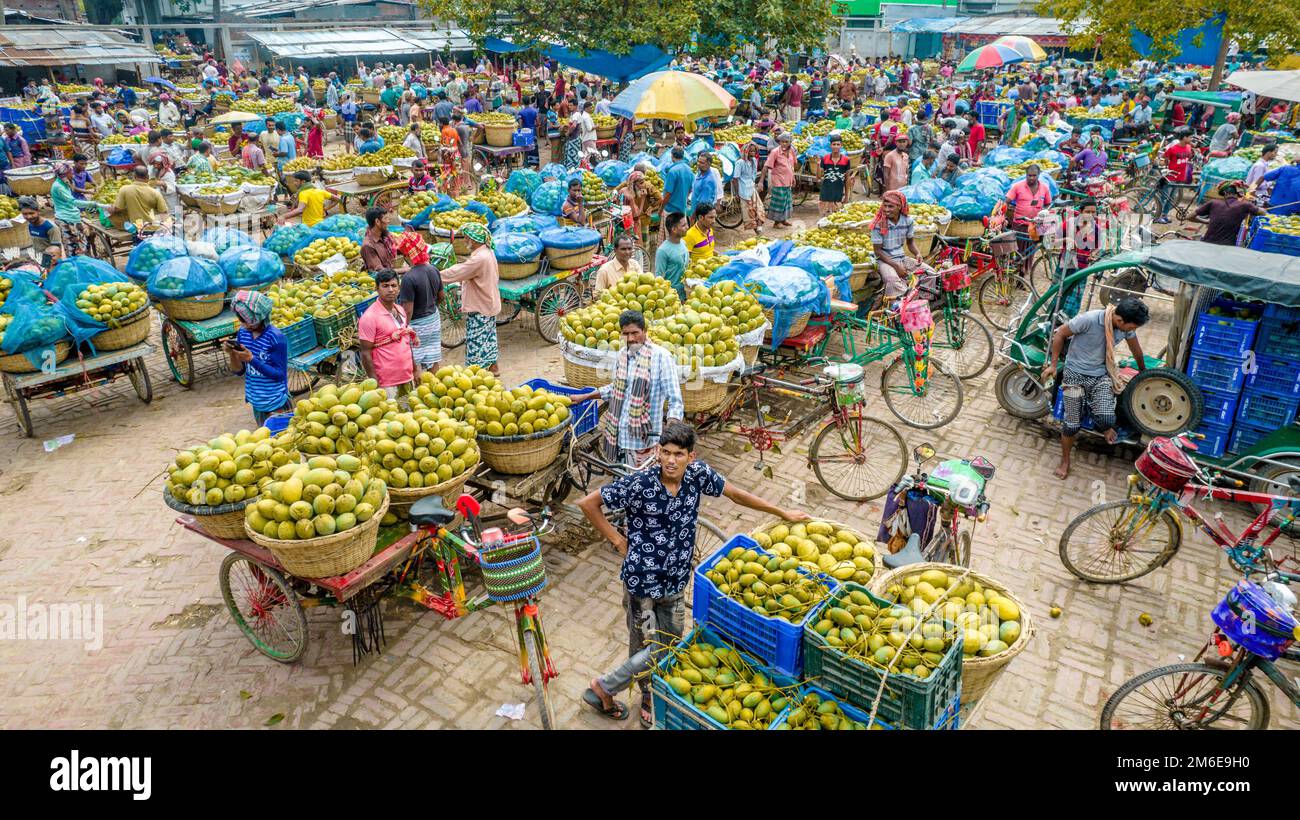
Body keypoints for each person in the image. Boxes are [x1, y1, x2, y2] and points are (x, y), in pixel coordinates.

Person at [578, 418, 808, 726]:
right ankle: (636, 692)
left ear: (691, 456)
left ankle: (606, 686)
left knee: (669, 645)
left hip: (675, 581)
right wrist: (617, 539)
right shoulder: (640, 484)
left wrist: (782, 512)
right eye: (666, 452)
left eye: (678, 454)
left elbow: (736, 494)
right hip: (642, 584)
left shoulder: (697, 476)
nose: (671, 461)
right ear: (658, 452)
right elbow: (588, 503)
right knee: (645, 644)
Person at [1043, 298, 1149, 479]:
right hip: (1074, 375)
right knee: (1071, 424)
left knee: (1107, 418)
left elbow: (1136, 351)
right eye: (1132, 328)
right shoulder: (1089, 319)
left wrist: (1143, 373)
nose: (1132, 332)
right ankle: (1065, 461)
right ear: (1120, 321)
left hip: (1101, 375)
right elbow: (1060, 333)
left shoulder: (1125, 329)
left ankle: (1103, 423)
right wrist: (1053, 365)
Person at [439, 223, 501, 372]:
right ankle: (493, 368)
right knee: (489, 338)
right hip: (488, 302)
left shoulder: (479, 258)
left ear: (474, 240)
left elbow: (457, 272)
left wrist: (433, 275)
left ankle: (477, 374)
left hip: (481, 306)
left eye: (466, 237)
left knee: (476, 343)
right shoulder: (486, 251)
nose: (465, 239)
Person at [226, 290, 291, 425]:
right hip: (256, 403)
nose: (244, 325)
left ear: (260, 317)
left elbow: (279, 375)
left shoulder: (276, 338)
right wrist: (232, 354)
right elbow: (239, 371)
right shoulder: (243, 334)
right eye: (241, 320)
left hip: (276, 403)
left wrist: (252, 360)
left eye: (247, 321)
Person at [358, 269, 419, 399]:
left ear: (399, 288)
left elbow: (407, 342)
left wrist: (415, 369)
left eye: (393, 285)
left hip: (406, 376)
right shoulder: (369, 317)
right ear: (377, 289)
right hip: (386, 382)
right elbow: (365, 353)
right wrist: (375, 384)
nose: (390, 290)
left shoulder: (401, 310)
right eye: (385, 286)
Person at [396, 236, 450, 378]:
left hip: (417, 325)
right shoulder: (433, 269)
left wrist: (404, 327)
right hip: (433, 319)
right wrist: (431, 305)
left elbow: (408, 309)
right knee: (432, 358)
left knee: (414, 362)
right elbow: (441, 296)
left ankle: (420, 392)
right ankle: (438, 385)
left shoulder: (409, 278)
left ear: (408, 254)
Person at [869, 190, 919, 300]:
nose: (886, 210)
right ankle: (898, 310)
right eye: (885, 206)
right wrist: (896, 266)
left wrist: (917, 253)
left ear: (899, 206)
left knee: (929, 273)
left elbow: (910, 242)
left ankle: (924, 301)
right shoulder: (878, 224)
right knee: (892, 281)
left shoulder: (907, 221)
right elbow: (878, 251)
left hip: (901, 258)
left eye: (890, 206)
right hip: (884, 261)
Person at [1195, 181, 1265, 246]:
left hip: (1207, 243)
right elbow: (1263, 213)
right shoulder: (1245, 205)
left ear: (1225, 193)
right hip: (1228, 246)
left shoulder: (1213, 203)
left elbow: (1189, 216)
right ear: (1238, 193)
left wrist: (1206, 221)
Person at [1155, 131, 1194, 223]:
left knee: (1172, 198)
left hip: (1180, 178)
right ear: (1184, 137)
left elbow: (1189, 160)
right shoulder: (1172, 149)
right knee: (1164, 197)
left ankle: (1164, 215)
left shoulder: (1189, 147)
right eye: (1190, 137)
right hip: (1170, 177)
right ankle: (1158, 216)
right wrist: (1161, 164)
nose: (1191, 139)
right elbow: (1164, 160)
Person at [762, 133, 797, 227]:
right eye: (782, 142)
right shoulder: (775, 152)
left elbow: (792, 166)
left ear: (790, 143)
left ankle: (783, 220)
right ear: (779, 142)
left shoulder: (791, 152)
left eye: (787, 142)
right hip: (778, 181)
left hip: (788, 181)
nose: (784, 144)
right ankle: (776, 223)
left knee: (787, 202)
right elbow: (766, 166)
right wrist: (761, 181)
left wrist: (793, 178)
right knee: (779, 202)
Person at [19, 197, 64, 266]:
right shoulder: (30, 225)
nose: (29, 216)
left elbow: (56, 251)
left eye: (31, 213)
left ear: (38, 211)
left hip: (49, 263)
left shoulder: (51, 227)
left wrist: (47, 266)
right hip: (38, 260)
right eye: (25, 214)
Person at [815, 133, 852, 214]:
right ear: (830, 145)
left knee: (836, 216)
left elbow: (847, 179)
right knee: (823, 216)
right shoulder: (825, 158)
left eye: (838, 144)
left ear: (841, 145)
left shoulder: (846, 160)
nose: (836, 146)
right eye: (834, 144)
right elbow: (818, 177)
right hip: (826, 191)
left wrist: (846, 196)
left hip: (838, 191)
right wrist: (818, 165)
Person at [654, 212, 691, 291]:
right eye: (683, 225)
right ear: (674, 229)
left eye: (687, 224)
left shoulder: (683, 243)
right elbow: (659, 277)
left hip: (685, 292)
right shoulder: (662, 251)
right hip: (672, 295)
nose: (687, 227)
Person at [659, 146, 694, 227]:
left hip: (671, 210)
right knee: (680, 233)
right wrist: (684, 198)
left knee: (671, 235)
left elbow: (668, 194)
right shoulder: (689, 170)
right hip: (682, 208)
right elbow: (691, 189)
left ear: (672, 156)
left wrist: (661, 209)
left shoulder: (672, 172)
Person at [734, 141, 763, 234]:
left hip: (751, 187)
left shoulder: (754, 161)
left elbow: (753, 174)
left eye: (754, 151)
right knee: (750, 212)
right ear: (745, 152)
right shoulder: (740, 163)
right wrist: (737, 193)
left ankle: (759, 229)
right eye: (750, 151)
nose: (752, 153)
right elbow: (735, 179)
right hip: (743, 190)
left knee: (759, 208)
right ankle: (758, 232)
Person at [360, 207, 400, 272]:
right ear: (377, 222)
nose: (388, 221)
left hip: (392, 269)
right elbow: (380, 271)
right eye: (386, 218)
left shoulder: (385, 235)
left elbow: (395, 248)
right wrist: (403, 270)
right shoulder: (368, 246)